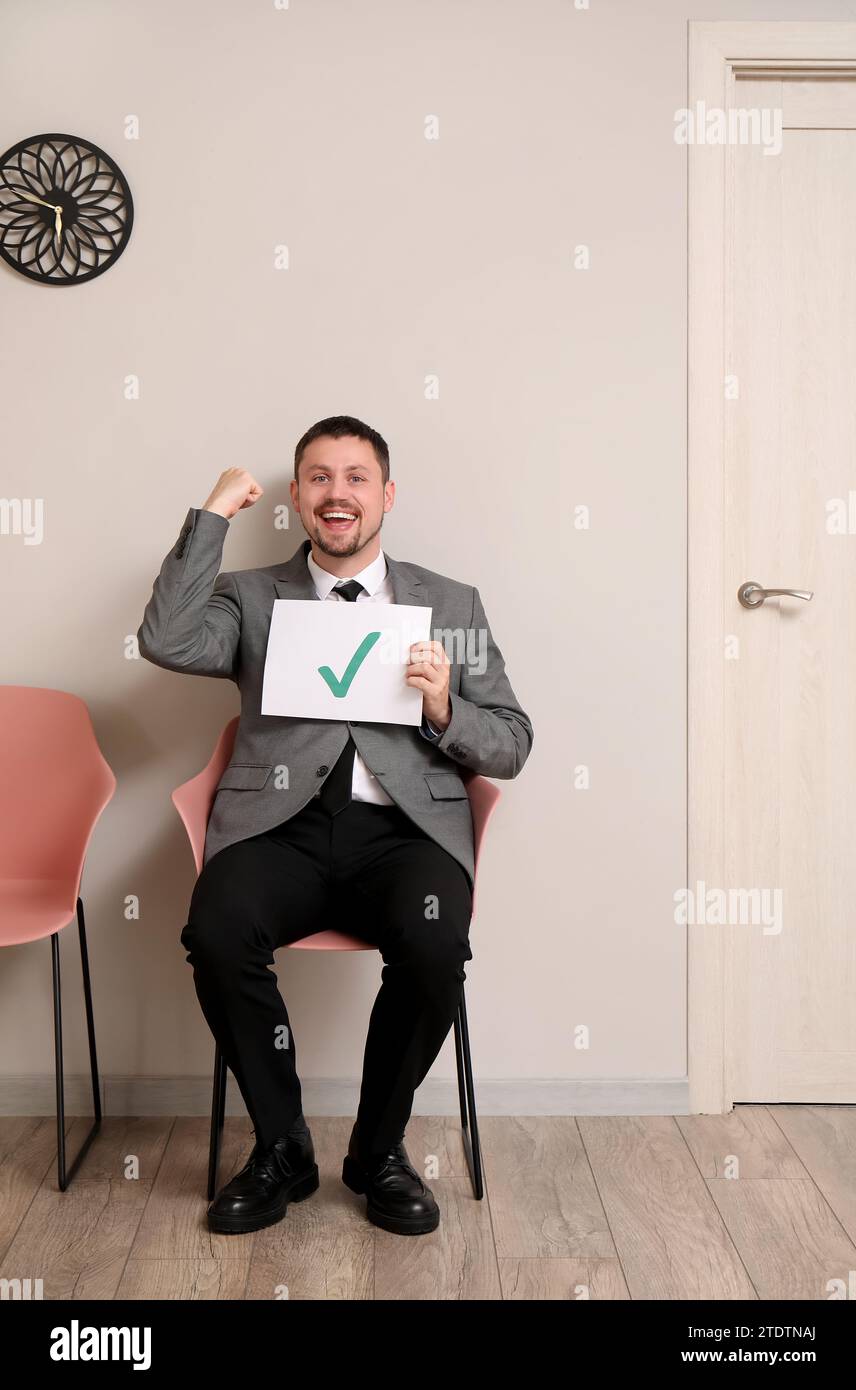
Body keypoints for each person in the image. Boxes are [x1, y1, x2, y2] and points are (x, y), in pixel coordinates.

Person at [137, 415, 533, 1236]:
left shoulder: (448, 603)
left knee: (433, 948)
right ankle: (282, 1148)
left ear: (386, 496)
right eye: (319, 478)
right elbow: (166, 639)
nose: (337, 493)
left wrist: (442, 706)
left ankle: (376, 1151)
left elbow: (512, 743)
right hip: (276, 833)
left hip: (403, 838)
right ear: (296, 499)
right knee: (215, 931)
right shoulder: (252, 597)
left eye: (356, 477)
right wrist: (213, 513)